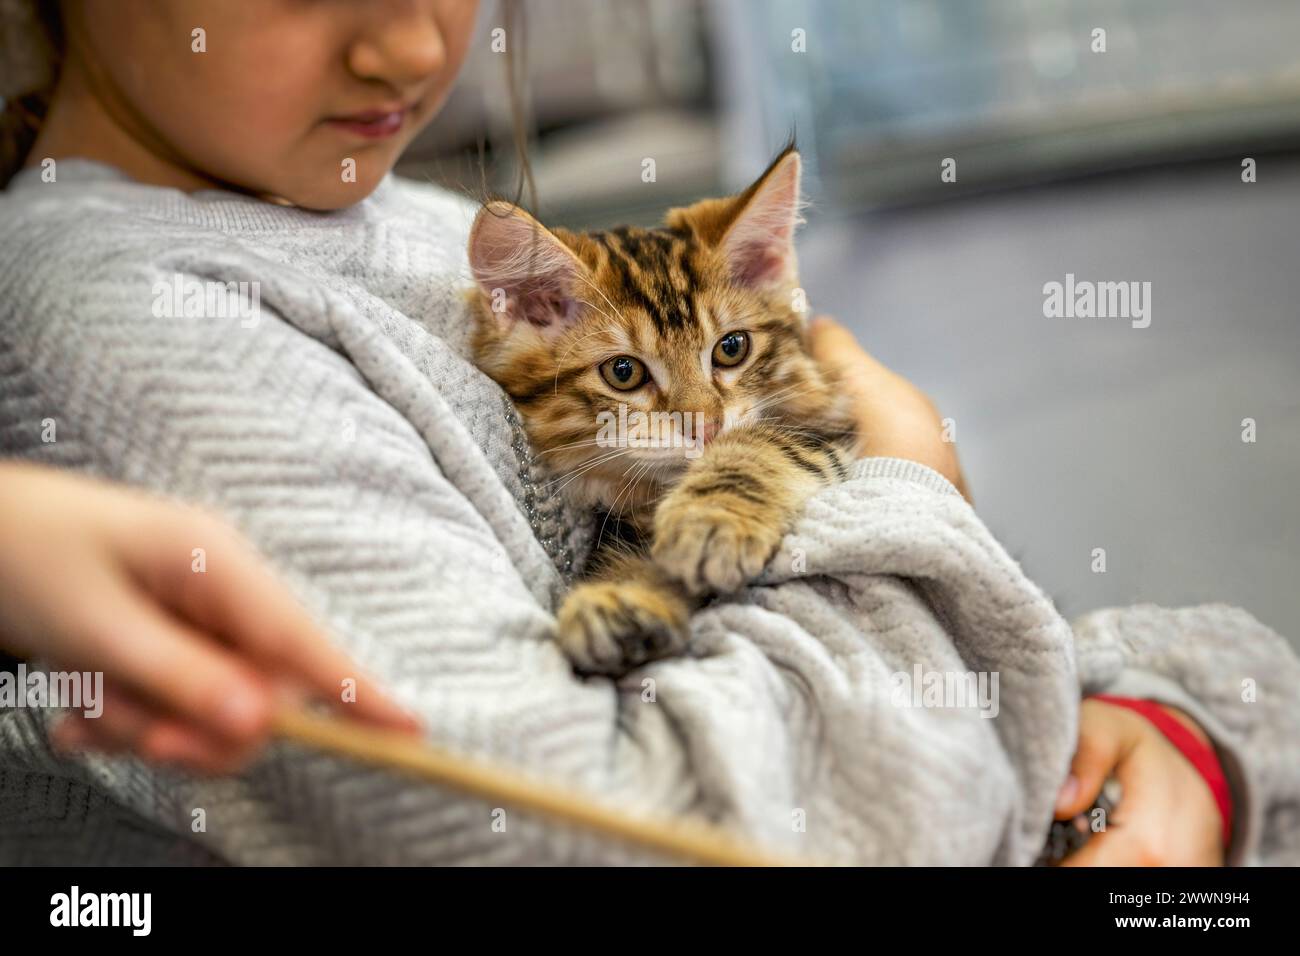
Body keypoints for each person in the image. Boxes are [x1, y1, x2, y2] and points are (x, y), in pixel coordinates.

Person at [0, 0, 1295, 866]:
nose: (406, 45)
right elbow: (656, 833)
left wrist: (1176, 718)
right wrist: (899, 482)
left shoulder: (369, 213)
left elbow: (983, 659)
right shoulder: (137, 323)